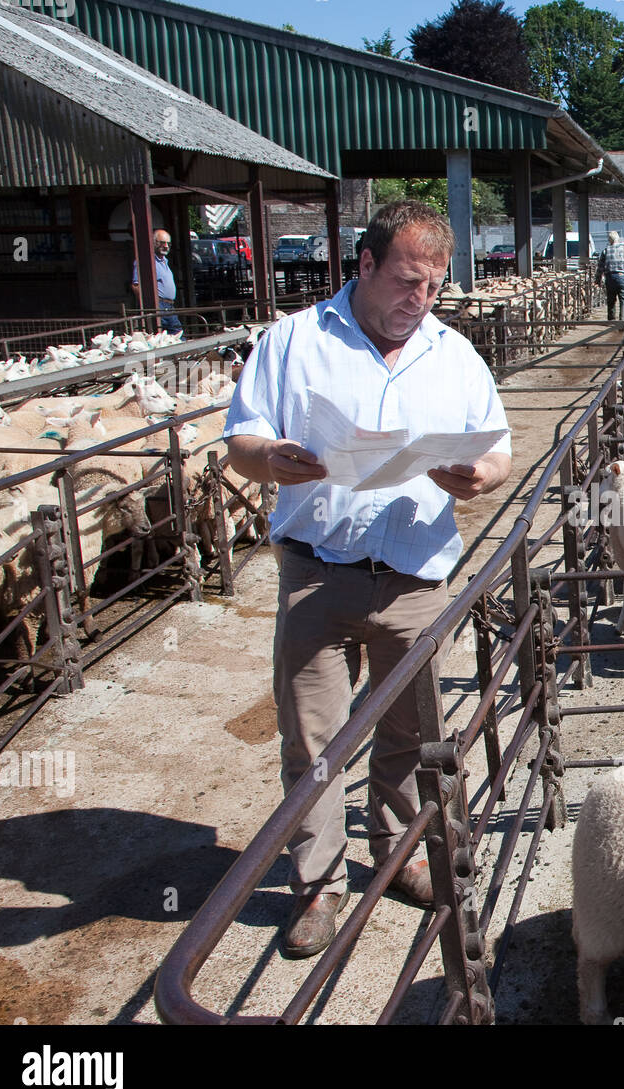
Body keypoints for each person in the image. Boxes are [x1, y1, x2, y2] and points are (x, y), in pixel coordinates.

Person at [223, 200, 513, 960]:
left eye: (434, 285)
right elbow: (239, 439)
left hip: (414, 575)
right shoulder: (294, 342)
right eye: (407, 281)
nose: (420, 300)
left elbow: (499, 446)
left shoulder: (453, 354)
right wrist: (268, 458)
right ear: (364, 266)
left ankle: (397, 853)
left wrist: (479, 475)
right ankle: (315, 885)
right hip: (317, 574)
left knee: (411, 730)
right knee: (313, 738)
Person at [131, 229, 182, 334]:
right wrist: (149, 305)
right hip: (159, 305)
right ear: (153, 243)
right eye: (162, 243)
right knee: (176, 333)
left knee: (174, 335)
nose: (166, 246)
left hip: (169, 305)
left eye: (168, 243)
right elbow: (136, 285)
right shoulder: (146, 261)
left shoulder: (164, 261)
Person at [595, 230, 624, 323]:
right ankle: (622, 320)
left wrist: (597, 280)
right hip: (622, 277)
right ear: (618, 239)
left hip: (610, 278)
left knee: (611, 300)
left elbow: (600, 268)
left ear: (609, 240)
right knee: (623, 300)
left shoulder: (605, 251)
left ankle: (611, 320)